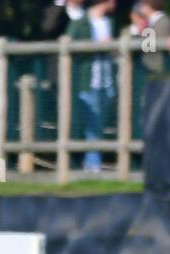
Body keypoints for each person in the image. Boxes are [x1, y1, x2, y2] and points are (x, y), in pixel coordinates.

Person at [68, 0, 117, 173]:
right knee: (92, 122)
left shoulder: (109, 22)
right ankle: (92, 164)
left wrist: (112, 47)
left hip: (107, 80)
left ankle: (93, 162)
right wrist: (97, 46)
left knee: (99, 123)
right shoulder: (80, 23)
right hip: (89, 80)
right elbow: (69, 46)